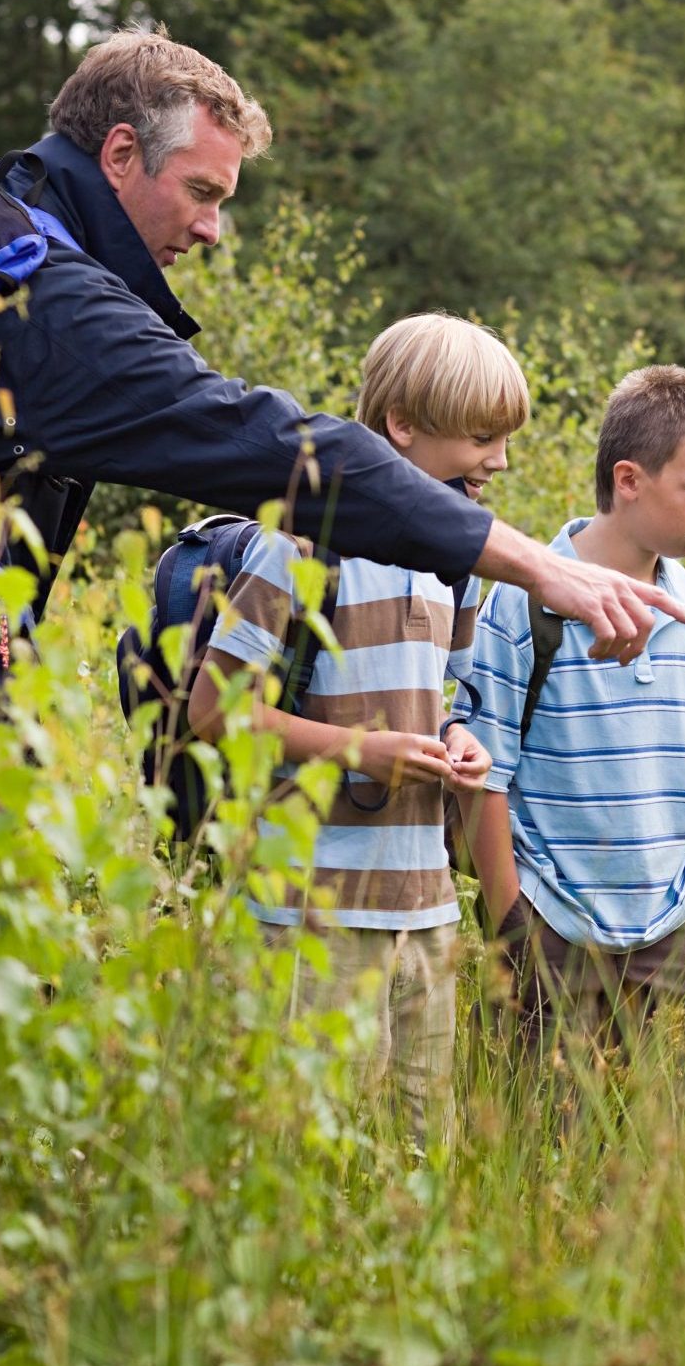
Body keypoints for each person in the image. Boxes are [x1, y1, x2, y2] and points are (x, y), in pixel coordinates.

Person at [0, 30, 679, 1056]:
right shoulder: (52, 298)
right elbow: (290, 454)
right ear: (119, 154)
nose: (211, 229)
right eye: (201, 191)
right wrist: (538, 562)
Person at [185, 313, 530, 1146]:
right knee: (315, 1148)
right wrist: (359, 751)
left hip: (427, 907)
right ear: (403, 427)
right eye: (482, 437)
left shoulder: (458, 562)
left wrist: (458, 739)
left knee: (422, 1152)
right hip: (314, 910)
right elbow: (213, 710)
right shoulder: (301, 545)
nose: (500, 460)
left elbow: (435, 697)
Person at [460, 367, 685, 1067]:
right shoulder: (520, 602)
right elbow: (483, 779)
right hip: (550, 928)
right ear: (629, 479)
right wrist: (512, 924)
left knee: (642, 1157)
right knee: (531, 1146)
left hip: (666, 936)